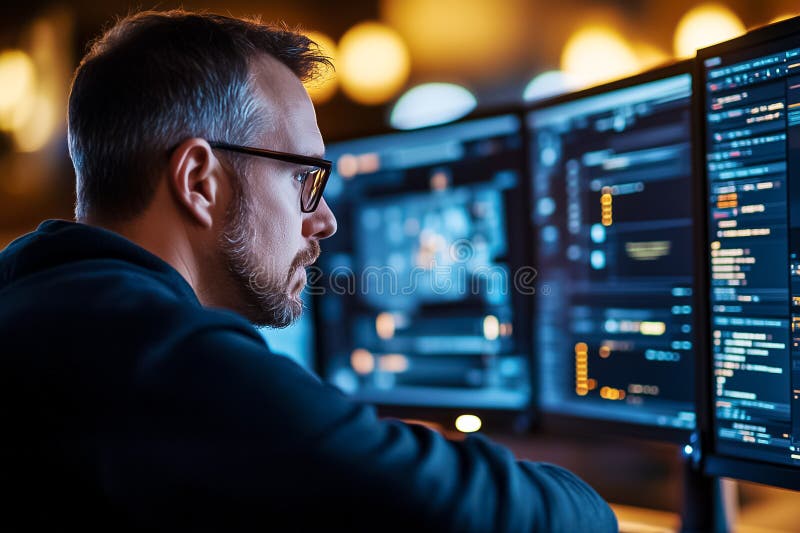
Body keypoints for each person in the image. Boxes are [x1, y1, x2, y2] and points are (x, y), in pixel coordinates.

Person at [0, 10, 618, 532]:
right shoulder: (145, 352)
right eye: (304, 179)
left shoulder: (45, 298)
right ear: (198, 181)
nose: (324, 220)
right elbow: (451, 506)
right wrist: (594, 504)